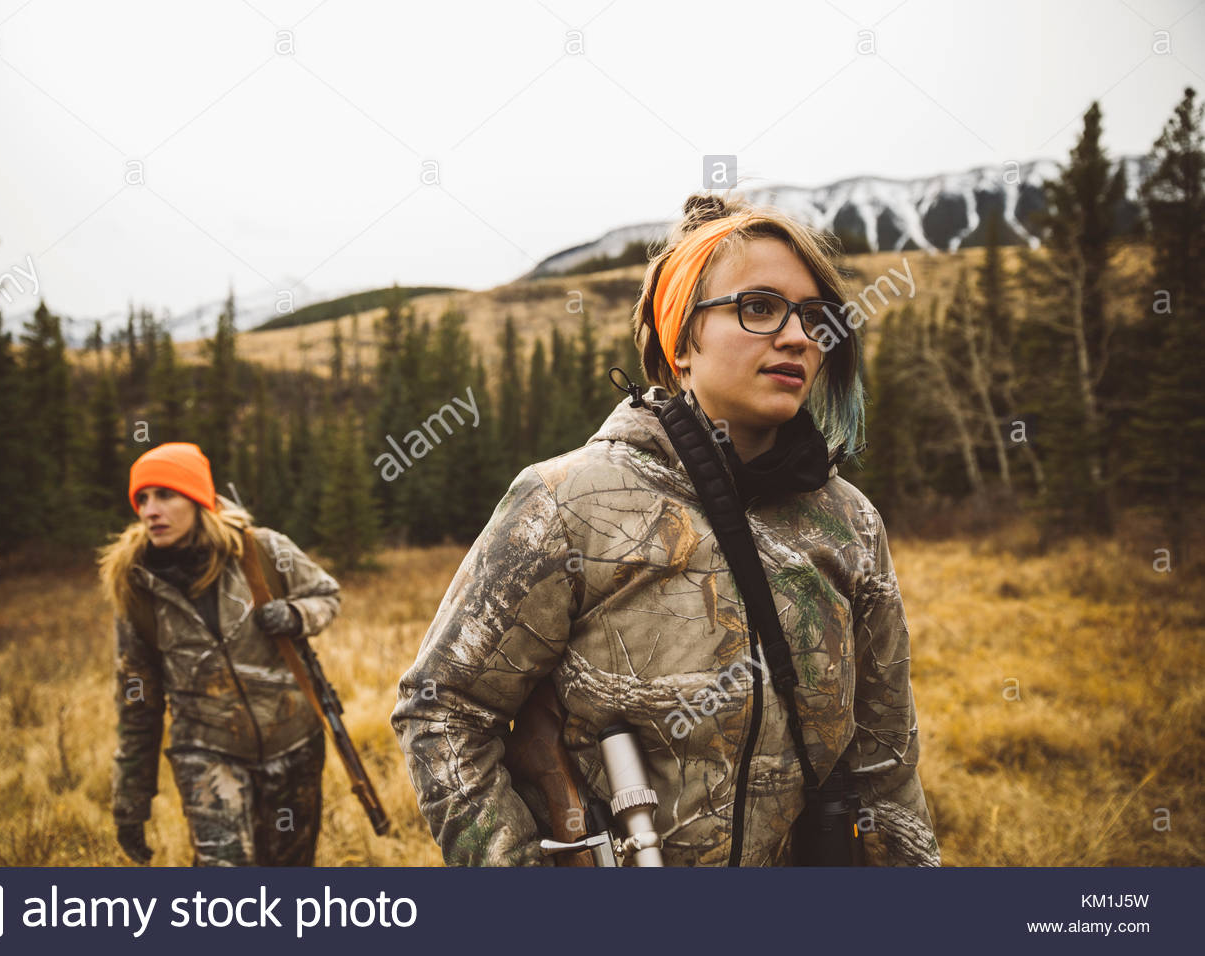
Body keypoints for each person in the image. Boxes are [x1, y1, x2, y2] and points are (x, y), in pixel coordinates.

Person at [391, 193, 940, 867]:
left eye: (815, 316)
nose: (800, 336)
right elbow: (442, 708)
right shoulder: (569, 502)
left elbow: (885, 768)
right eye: (759, 306)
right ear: (682, 342)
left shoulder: (851, 523)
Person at [96, 441, 342, 866]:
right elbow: (137, 703)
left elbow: (327, 595)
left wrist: (297, 615)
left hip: (295, 744)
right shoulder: (135, 587)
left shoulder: (263, 549)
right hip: (206, 754)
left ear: (197, 499)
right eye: (142, 498)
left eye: (165, 495)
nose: (150, 510)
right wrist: (130, 802)